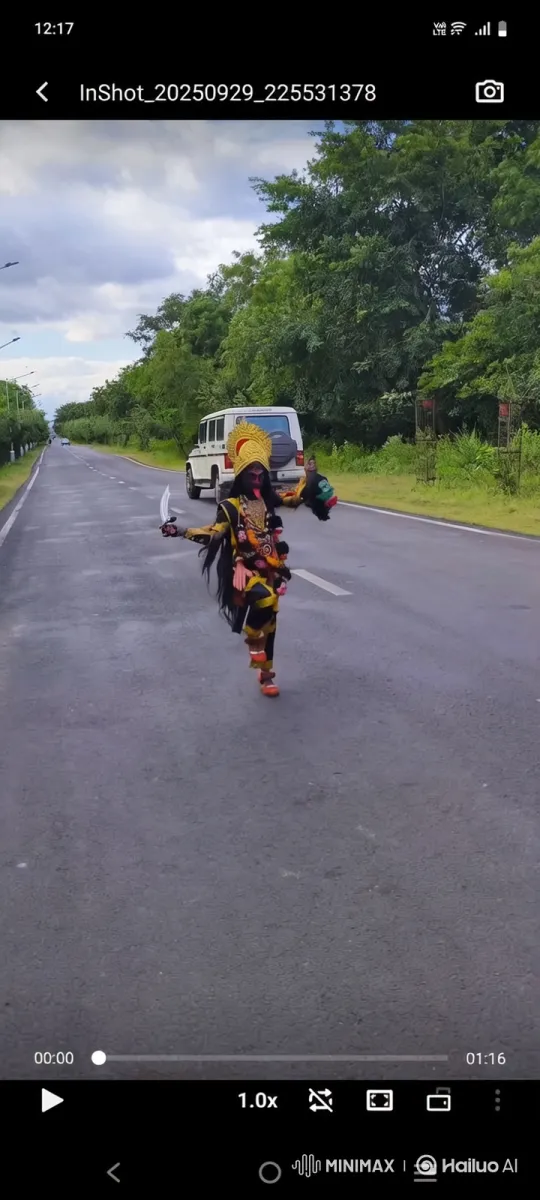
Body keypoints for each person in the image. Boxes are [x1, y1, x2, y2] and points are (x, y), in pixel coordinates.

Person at [160, 422, 337, 697]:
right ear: (241, 474)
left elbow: (295, 498)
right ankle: (253, 637)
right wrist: (181, 531)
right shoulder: (230, 507)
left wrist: (310, 481)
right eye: (251, 470)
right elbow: (214, 534)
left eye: (260, 470)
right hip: (243, 571)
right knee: (265, 601)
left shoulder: (268, 502)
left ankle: (266, 675)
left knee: (272, 619)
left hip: (271, 570)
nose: (256, 474)